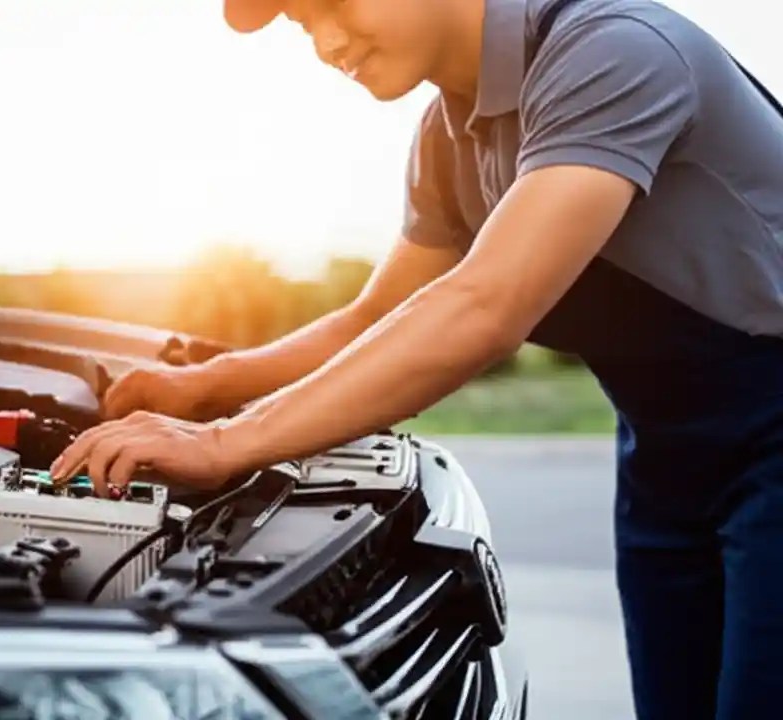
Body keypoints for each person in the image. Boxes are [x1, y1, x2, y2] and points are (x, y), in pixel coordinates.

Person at [50, 0, 783, 717]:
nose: (326, 44)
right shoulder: (447, 137)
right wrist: (202, 387)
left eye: (332, 6)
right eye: (305, 24)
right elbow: (373, 320)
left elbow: (486, 306)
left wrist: (221, 444)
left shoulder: (615, 49)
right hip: (663, 459)